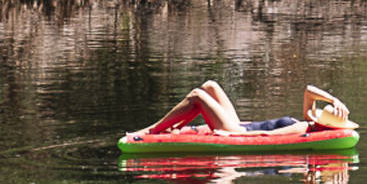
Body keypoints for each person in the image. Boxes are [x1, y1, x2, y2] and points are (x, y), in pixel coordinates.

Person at [137, 80, 350, 136]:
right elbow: (308, 90)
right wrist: (333, 100)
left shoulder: (304, 128)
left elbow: (267, 136)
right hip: (239, 124)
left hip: (235, 130)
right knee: (210, 86)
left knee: (197, 96)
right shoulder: (310, 119)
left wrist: (231, 136)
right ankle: (173, 127)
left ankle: (152, 130)